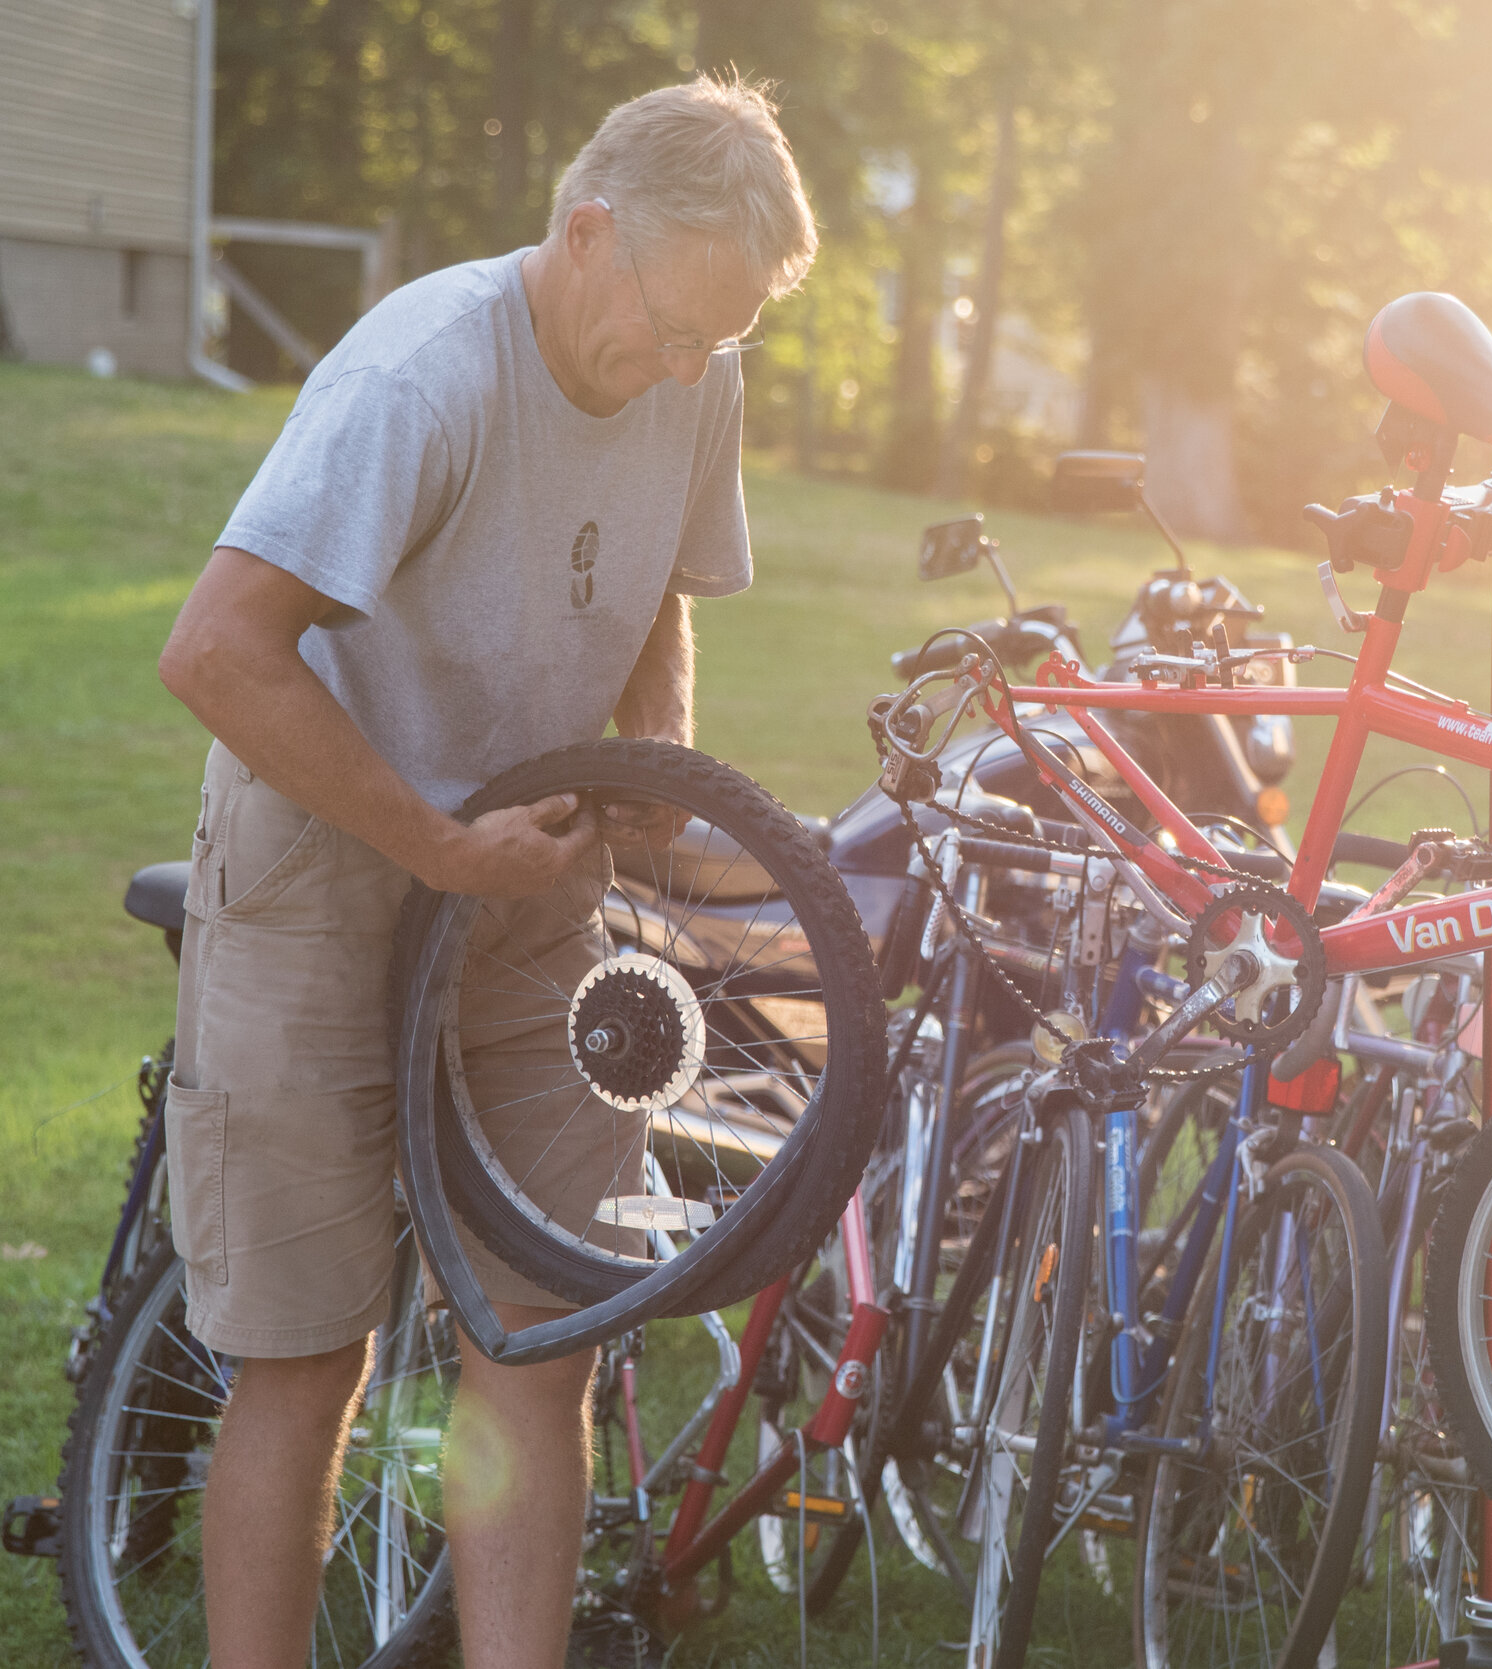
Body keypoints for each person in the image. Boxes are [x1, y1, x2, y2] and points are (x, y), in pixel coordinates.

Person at [155, 73, 816, 1669]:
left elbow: (662, 578)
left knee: (542, 1333)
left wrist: (652, 756)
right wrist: (438, 844)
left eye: (711, 348)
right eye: (667, 330)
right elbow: (218, 651)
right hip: (322, 864)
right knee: (312, 1354)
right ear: (587, 232)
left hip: (532, 870)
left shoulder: (688, 356)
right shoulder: (423, 374)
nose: (678, 371)